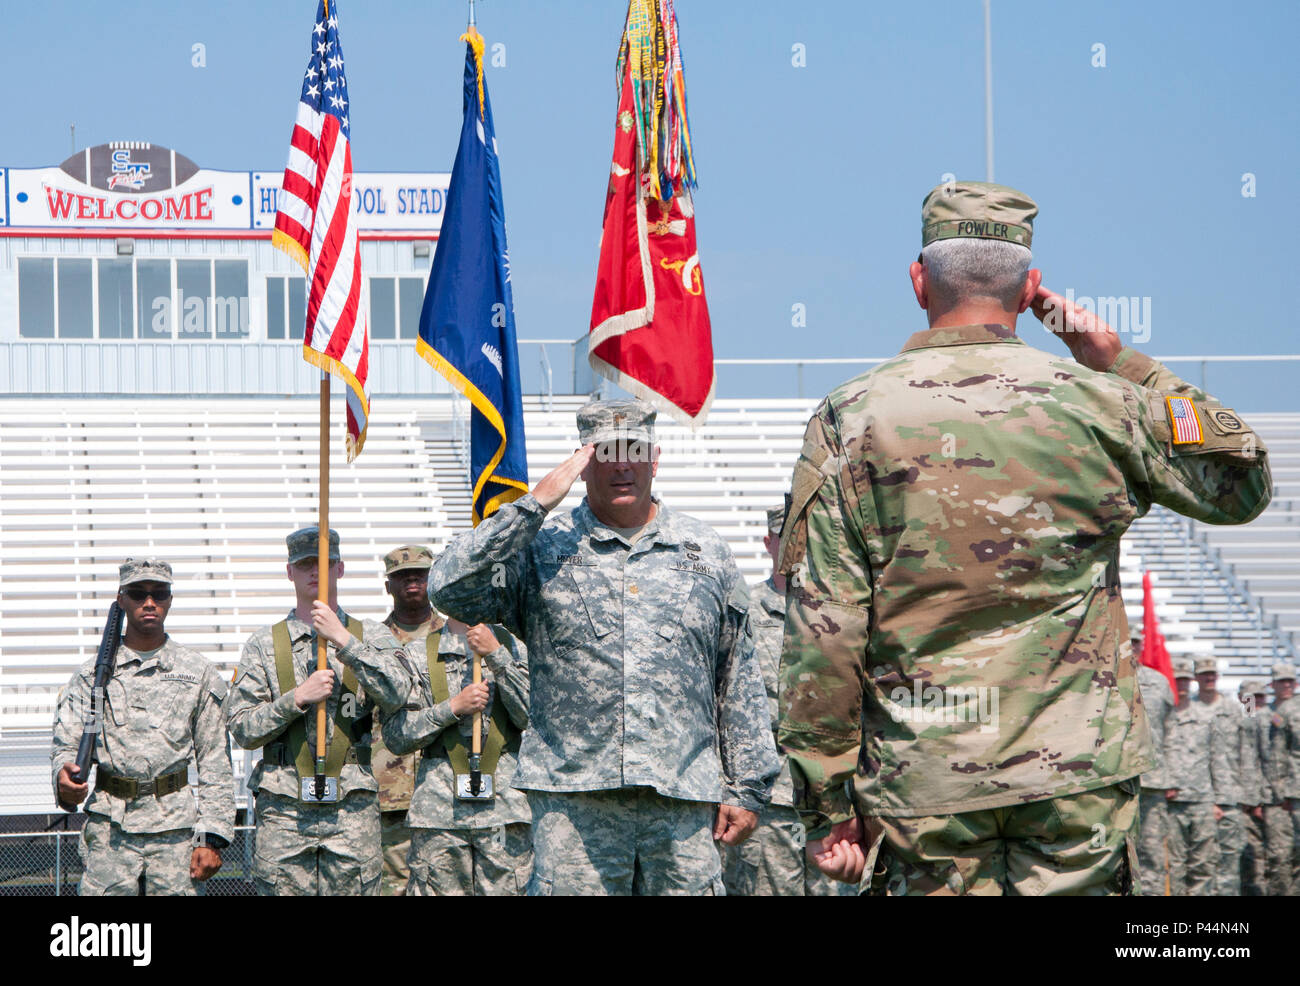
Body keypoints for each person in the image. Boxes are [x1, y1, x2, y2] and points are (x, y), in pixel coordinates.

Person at [776, 180, 1272, 896]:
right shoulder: (1102, 402)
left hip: (926, 780)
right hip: (1075, 780)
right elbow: (1242, 484)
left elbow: (826, 630)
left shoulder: (852, 417)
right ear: (1031, 286)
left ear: (919, 282)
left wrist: (824, 801)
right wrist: (1121, 363)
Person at [428, 399, 779, 895]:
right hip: (574, 805)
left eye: (634, 450)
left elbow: (735, 675)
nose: (622, 464)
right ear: (584, 459)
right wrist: (533, 505)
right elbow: (448, 588)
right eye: (606, 451)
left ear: (654, 458)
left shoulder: (705, 551)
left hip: (680, 803)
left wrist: (747, 787)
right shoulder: (543, 548)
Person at [223, 527, 411, 896]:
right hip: (284, 811)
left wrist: (345, 642)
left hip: (351, 809)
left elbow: (399, 694)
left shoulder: (369, 636)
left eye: (324, 563)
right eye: (305, 564)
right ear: (289, 572)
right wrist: (295, 699)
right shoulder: (264, 645)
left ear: (339, 569)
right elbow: (242, 727)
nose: (315, 572)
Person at [51, 558, 233, 895]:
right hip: (110, 832)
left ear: (170, 600)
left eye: (159, 593)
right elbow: (67, 743)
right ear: (121, 599)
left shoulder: (198, 672)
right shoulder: (92, 676)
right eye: (138, 593)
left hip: (176, 833)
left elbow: (215, 761)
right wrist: (63, 778)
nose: (149, 603)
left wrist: (212, 836)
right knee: (109, 941)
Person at [378, 545, 533, 895]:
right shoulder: (417, 654)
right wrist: (453, 708)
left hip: (505, 812)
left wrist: (497, 657)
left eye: (475, 579)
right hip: (439, 815)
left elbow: (533, 718)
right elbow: (397, 736)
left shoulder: (515, 647)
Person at [722, 501, 854, 897]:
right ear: (769, 543)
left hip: (831, 800)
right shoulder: (743, 611)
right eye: (790, 538)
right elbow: (729, 702)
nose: (801, 549)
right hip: (769, 801)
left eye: (810, 538)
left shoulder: (845, 616)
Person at [1193, 658, 1247, 896]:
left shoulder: (1232, 709)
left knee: (1229, 860)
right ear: (1196, 677)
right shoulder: (1188, 709)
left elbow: (1246, 751)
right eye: (1204, 674)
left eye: (1212, 674)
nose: (1209, 678)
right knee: (1200, 861)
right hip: (1198, 796)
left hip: (1230, 795)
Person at [1166, 659, 1218, 895]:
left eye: (1185, 679)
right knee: (1174, 864)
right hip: (1171, 802)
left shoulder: (1207, 716)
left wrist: (1219, 800)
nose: (1182, 684)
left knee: (1203, 863)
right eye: (1178, 680)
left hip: (1202, 798)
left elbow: (1217, 758)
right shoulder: (1162, 716)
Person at [1134, 634, 1177, 895]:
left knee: (1151, 851)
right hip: (1116, 781)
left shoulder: (1159, 682)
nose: (1132, 646)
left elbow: (1171, 732)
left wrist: (1171, 776)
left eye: (1137, 641)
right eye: (1127, 640)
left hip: (1153, 780)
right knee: (1113, 849)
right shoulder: (1103, 677)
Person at [1263, 662, 1300, 895]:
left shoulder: (1292, 709)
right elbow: (1276, 755)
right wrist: (1279, 793)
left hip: (1290, 790)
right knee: (1279, 856)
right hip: (1282, 793)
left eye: (1290, 681)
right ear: (1272, 684)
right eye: (1281, 681)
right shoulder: (1266, 712)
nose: (1286, 685)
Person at [1237, 679, 1270, 896]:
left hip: (1268, 800)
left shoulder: (1272, 722)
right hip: (1240, 799)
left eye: (1259, 697)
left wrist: (1261, 798)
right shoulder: (1239, 721)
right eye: (1250, 698)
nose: (1254, 703)